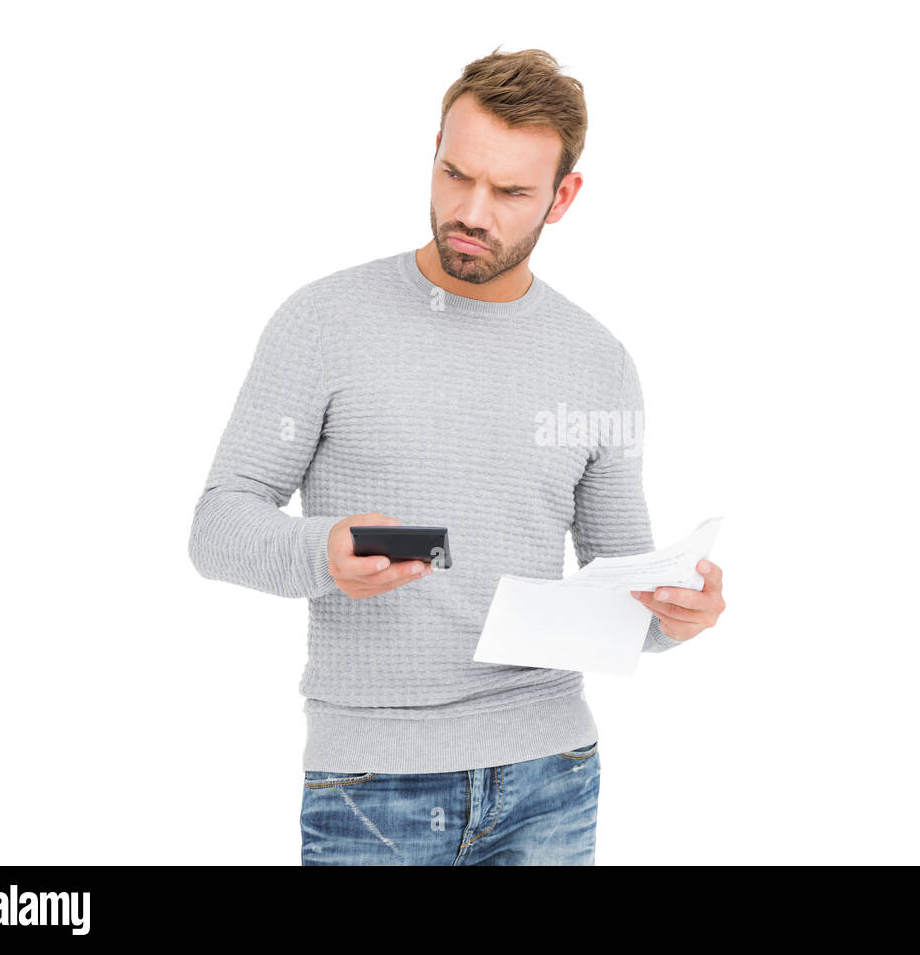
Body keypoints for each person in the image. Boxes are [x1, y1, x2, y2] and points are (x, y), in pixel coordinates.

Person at [187, 47, 727, 866]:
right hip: (372, 784)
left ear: (563, 197)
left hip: (552, 779)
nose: (472, 211)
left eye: (511, 192)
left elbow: (623, 591)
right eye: (455, 174)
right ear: (434, 150)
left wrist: (673, 612)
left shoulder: (597, 361)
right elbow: (217, 525)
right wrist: (320, 551)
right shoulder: (323, 322)